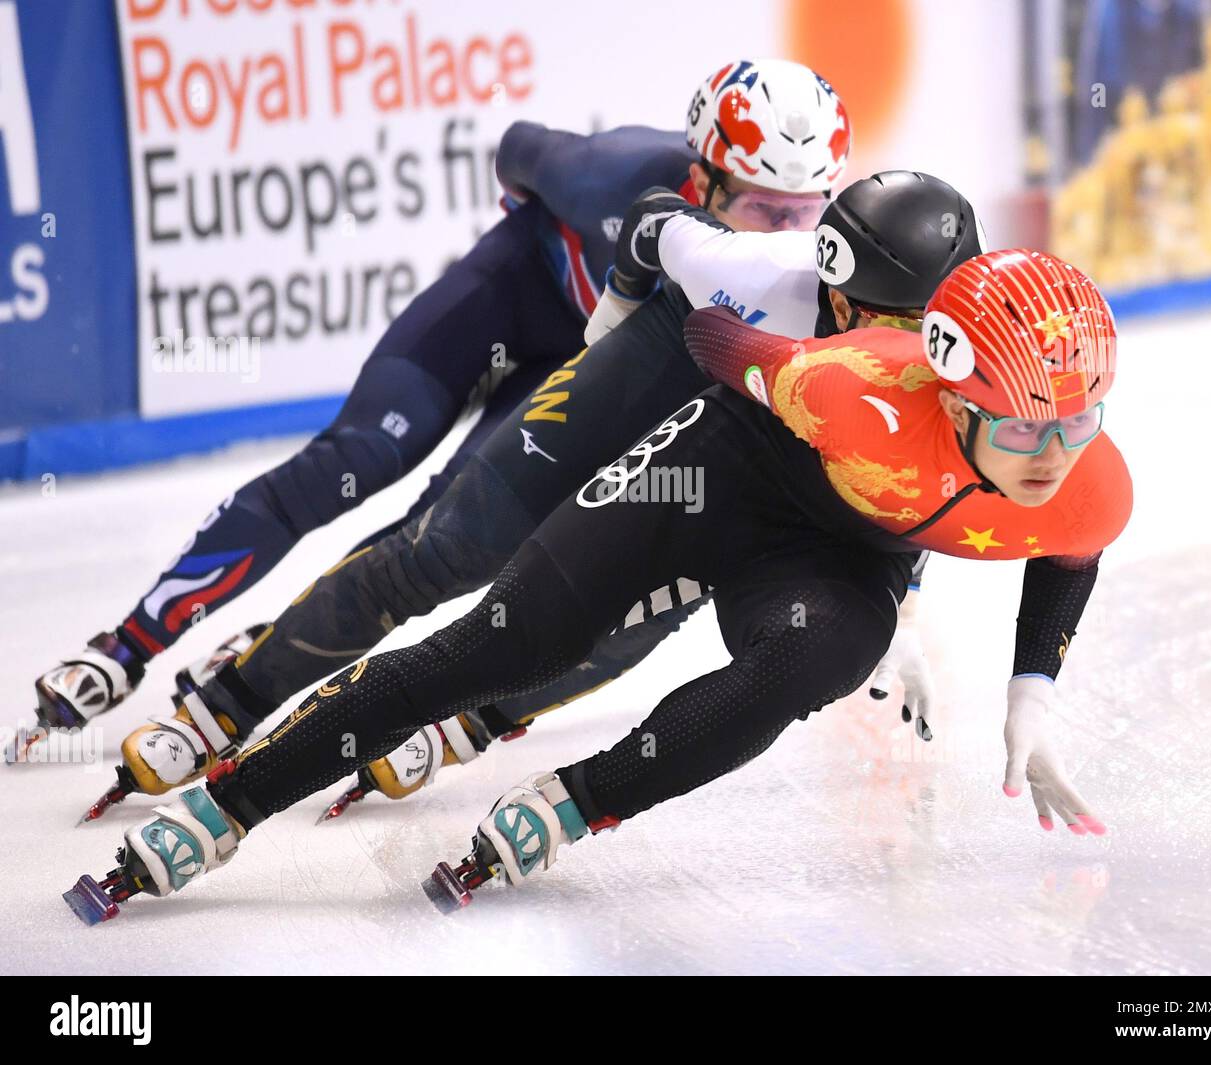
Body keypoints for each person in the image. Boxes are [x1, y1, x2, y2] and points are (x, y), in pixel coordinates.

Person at [67, 249, 1128, 922]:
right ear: (950, 395)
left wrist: (1030, 693)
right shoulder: (850, 390)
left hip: (833, 562)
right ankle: (230, 804)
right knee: (497, 648)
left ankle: (580, 802)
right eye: (1030, 427)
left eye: (1075, 423)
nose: (1053, 455)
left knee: (812, 662)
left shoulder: (1086, 486)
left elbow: (1068, 556)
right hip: (715, 473)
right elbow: (718, 339)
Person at [91, 165, 982, 820]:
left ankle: (468, 719)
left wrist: (891, 606)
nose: (892, 348)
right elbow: (649, 220)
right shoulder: (755, 271)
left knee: (641, 606)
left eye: (918, 326)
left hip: (741, 442)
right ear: (831, 285)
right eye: (762, 204)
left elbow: (915, 483)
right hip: (665, 358)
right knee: (448, 550)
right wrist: (611, 327)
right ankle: (232, 705)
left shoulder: (952, 355)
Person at [28, 58, 845, 749]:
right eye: (767, 211)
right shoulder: (613, 173)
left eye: (807, 212)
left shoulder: (808, 266)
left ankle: (267, 648)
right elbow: (517, 148)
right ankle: (127, 644)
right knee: (357, 459)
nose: (787, 233)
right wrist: (524, 231)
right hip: (508, 296)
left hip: (582, 360)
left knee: (450, 524)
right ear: (699, 177)